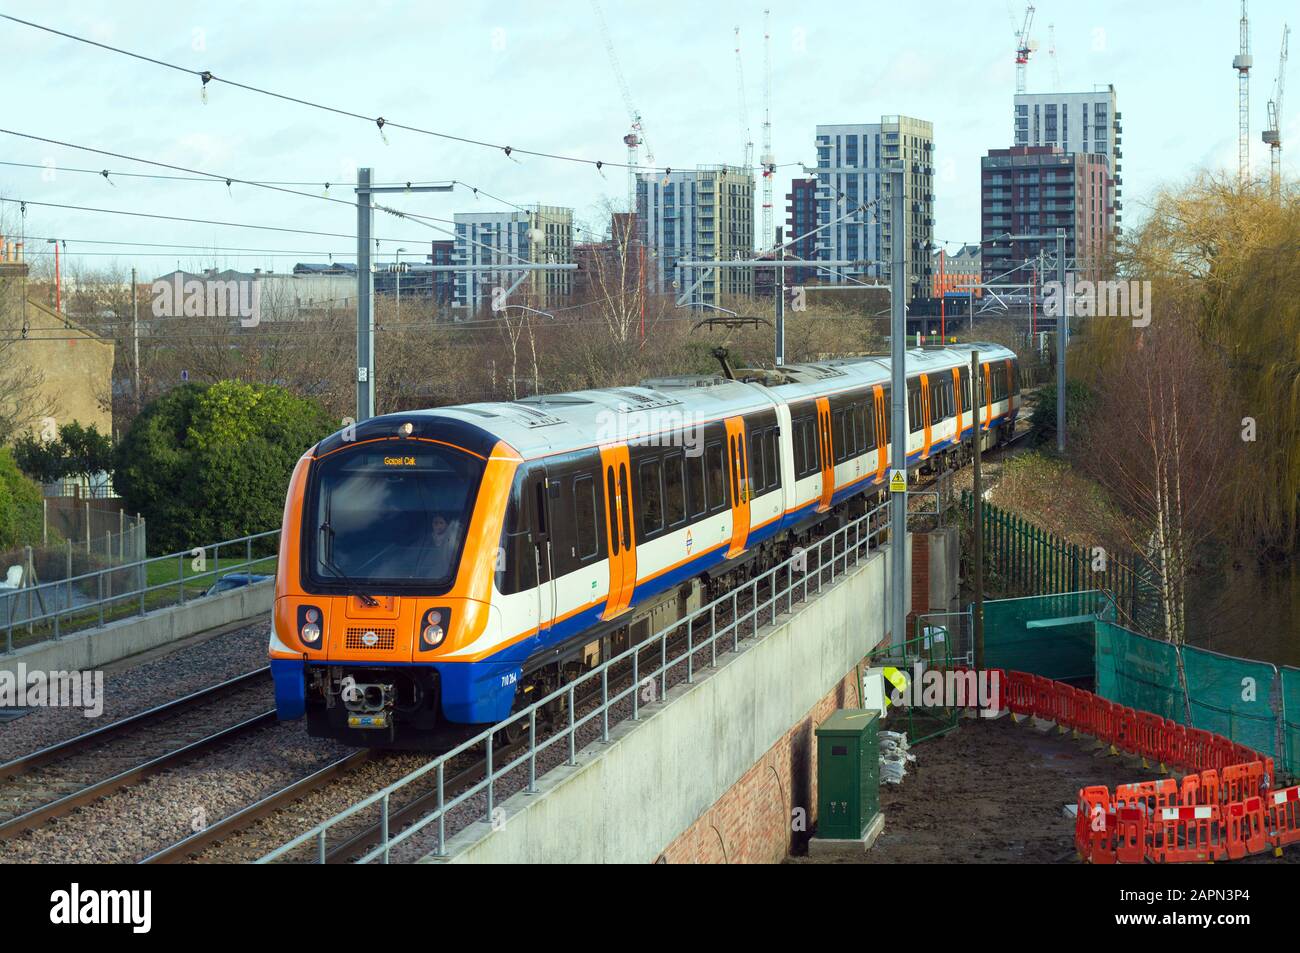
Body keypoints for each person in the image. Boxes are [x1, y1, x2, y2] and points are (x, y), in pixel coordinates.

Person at [428, 514, 461, 580]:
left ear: (446, 524)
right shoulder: (427, 539)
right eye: (436, 523)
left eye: (441, 523)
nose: (438, 526)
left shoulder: (453, 539)